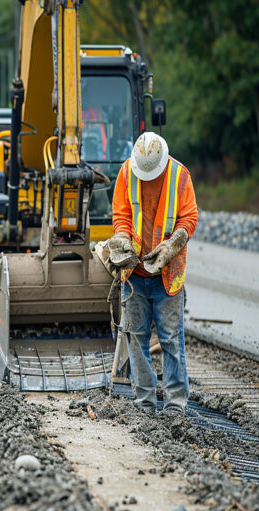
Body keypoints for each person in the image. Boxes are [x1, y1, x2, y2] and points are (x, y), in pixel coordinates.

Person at [108, 132, 198, 416]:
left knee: (172, 340)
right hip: (134, 274)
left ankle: (175, 403)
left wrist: (172, 245)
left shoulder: (179, 176)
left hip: (166, 275)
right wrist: (122, 239)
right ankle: (144, 402)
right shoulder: (127, 172)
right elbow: (121, 214)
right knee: (136, 340)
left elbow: (189, 218)